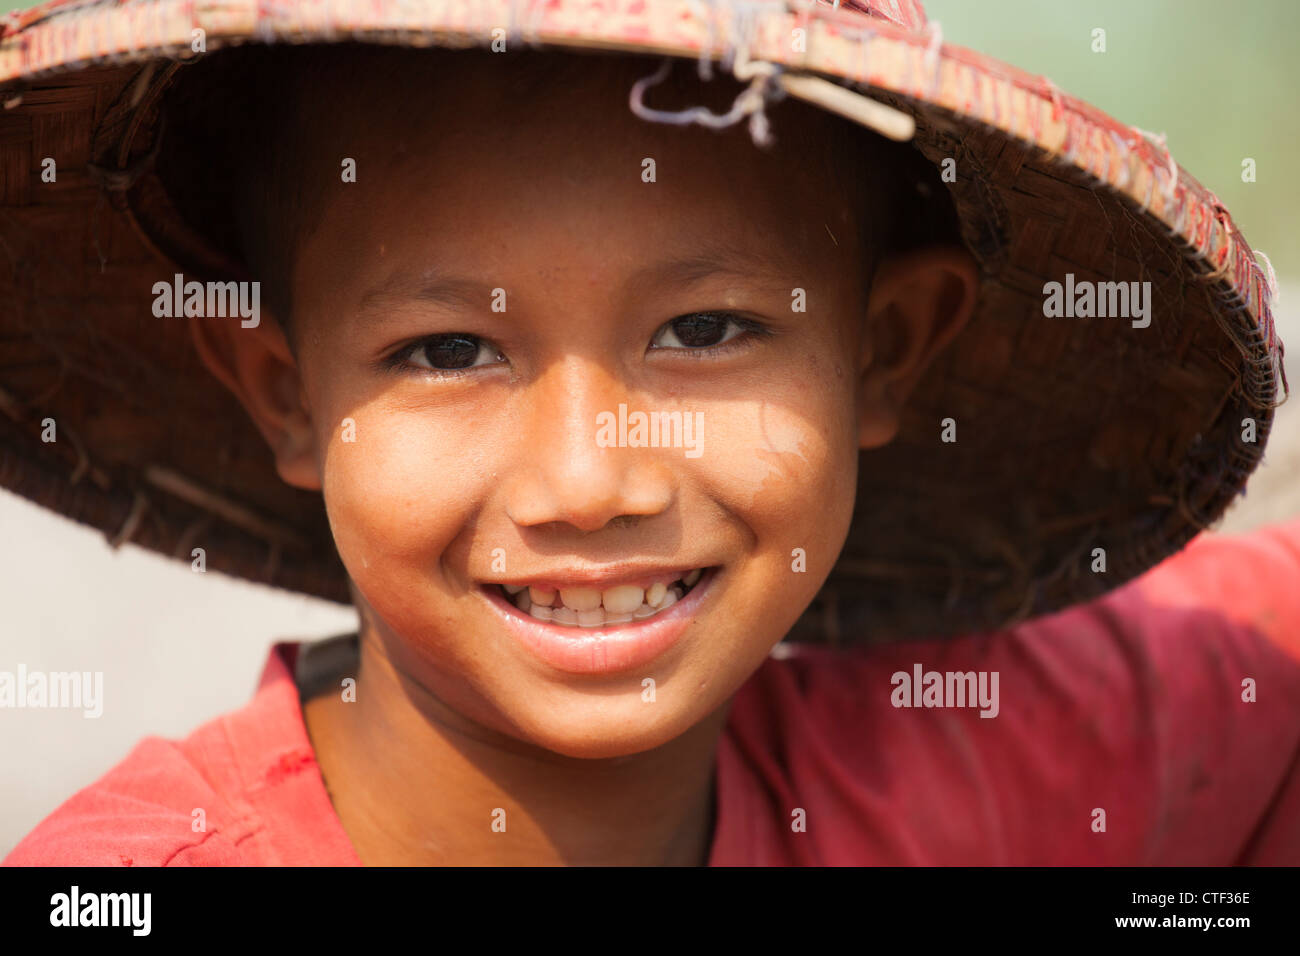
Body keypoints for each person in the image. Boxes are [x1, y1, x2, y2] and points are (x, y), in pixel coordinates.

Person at [2, 0, 1297, 866]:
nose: (589, 480)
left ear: (886, 351)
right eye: (450, 350)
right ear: (284, 393)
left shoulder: (976, 757)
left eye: (708, 330)